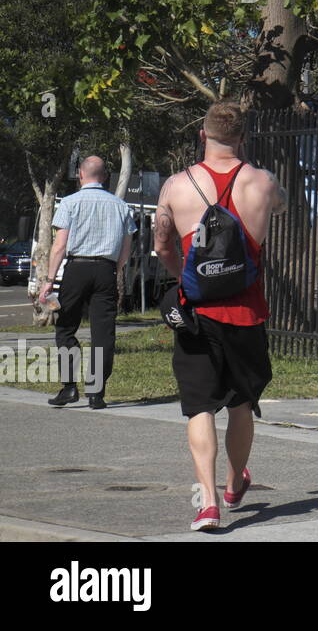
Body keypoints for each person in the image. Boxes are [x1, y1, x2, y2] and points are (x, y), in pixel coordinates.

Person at [154, 101, 286, 532]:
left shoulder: (176, 185)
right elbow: (282, 207)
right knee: (242, 404)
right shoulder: (264, 182)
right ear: (244, 137)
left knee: (199, 407)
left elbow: (162, 245)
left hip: (198, 316)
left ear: (202, 135)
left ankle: (208, 504)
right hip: (248, 312)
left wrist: (186, 279)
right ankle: (233, 483)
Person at [39, 156, 137, 409]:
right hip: (106, 269)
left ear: (80, 174)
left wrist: (49, 280)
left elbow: (60, 245)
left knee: (66, 326)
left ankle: (69, 387)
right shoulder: (120, 206)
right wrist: (115, 268)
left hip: (76, 268)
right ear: (104, 177)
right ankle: (96, 392)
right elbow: (127, 247)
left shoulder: (70, 203)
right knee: (103, 333)